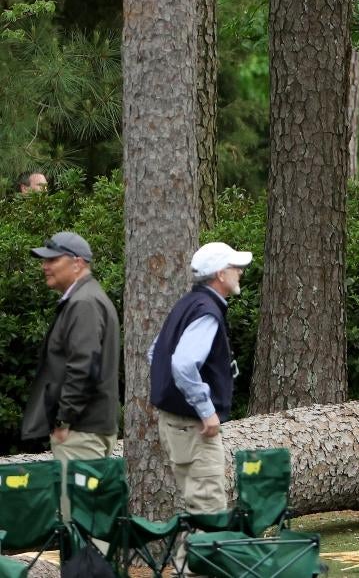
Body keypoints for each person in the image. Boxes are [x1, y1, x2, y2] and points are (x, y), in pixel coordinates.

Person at [149, 242, 251, 571]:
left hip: (175, 422)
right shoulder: (206, 310)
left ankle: (184, 570)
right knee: (208, 512)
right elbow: (182, 364)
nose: (240, 272)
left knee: (198, 510)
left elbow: (156, 353)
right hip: (194, 427)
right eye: (235, 268)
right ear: (220, 274)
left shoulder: (187, 304)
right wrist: (205, 409)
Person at [22, 231, 121, 459]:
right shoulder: (86, 297)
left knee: (74, 496)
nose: (44, 266)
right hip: (86, 428)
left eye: (53, 259)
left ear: (77, 263)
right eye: (44, 260)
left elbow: (83, 366)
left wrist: (64, 418)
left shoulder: (83, 303)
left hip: (81, 431)